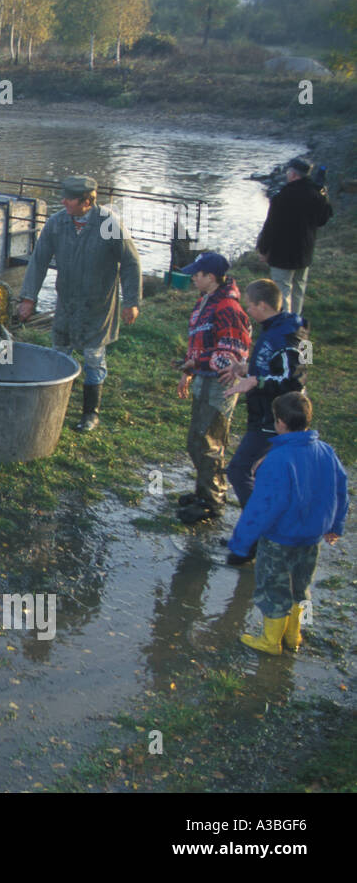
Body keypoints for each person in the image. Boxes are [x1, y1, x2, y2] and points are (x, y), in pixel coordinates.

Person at [17, 175, 142, 432]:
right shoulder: (57, 223)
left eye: (69, 199)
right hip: (67, 304)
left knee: (93, 357)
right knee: (58, 352)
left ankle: (90, 413)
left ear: (87, 202)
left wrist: (131, 301)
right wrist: (29, 297)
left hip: (98, 306)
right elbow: (39, 261)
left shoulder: (109, 224)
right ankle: (51, 406)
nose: (63, 201)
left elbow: (131, 263)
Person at [227, 392, 347, 655]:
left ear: (279, 422)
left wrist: (241, 541)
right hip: (311, 539)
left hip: (278, 539)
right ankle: (293, 636)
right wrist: (336, 525)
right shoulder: (326, 451)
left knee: (273, 588)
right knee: (300, 585)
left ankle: (270, 641)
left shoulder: (277, 460)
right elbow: (340, 489)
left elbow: (263, 506)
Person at [220, 278, 308, 559]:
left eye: (249, 305)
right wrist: (247, 368)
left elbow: (293, 382)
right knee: (261, 474)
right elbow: (281, 369)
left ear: (262, 305)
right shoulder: (280, 328)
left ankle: (253, 536)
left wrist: (255, 382)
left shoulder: (284, 337)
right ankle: (257, 532)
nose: (246, 309)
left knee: (239, 469)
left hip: (275, 418)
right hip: (265, 412)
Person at [175, 253, 252, 525]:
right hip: (203, 379)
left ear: (211, 277)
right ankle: (202, 492)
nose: (193, 277)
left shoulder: (228, 308)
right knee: (196, 439)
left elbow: (231, 354)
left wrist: (196, 362)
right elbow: (198, 342)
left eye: (198, 274)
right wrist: (189, 371)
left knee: (209, 441)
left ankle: (213, 501)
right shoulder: (204, 301)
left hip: (220, 385)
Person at [256, 158, 332, 314]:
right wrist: (324, 197)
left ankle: (285, 327)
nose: (286, 174)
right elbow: (323, 220)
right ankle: (296, 323)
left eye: (288, 171)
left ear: (293, 175)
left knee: (282, 290)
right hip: (304, 251)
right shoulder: (316, 195)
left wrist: (263, 249)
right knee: (298, 289)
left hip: (282, 252)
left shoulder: (282, 197)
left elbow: (271, 226)